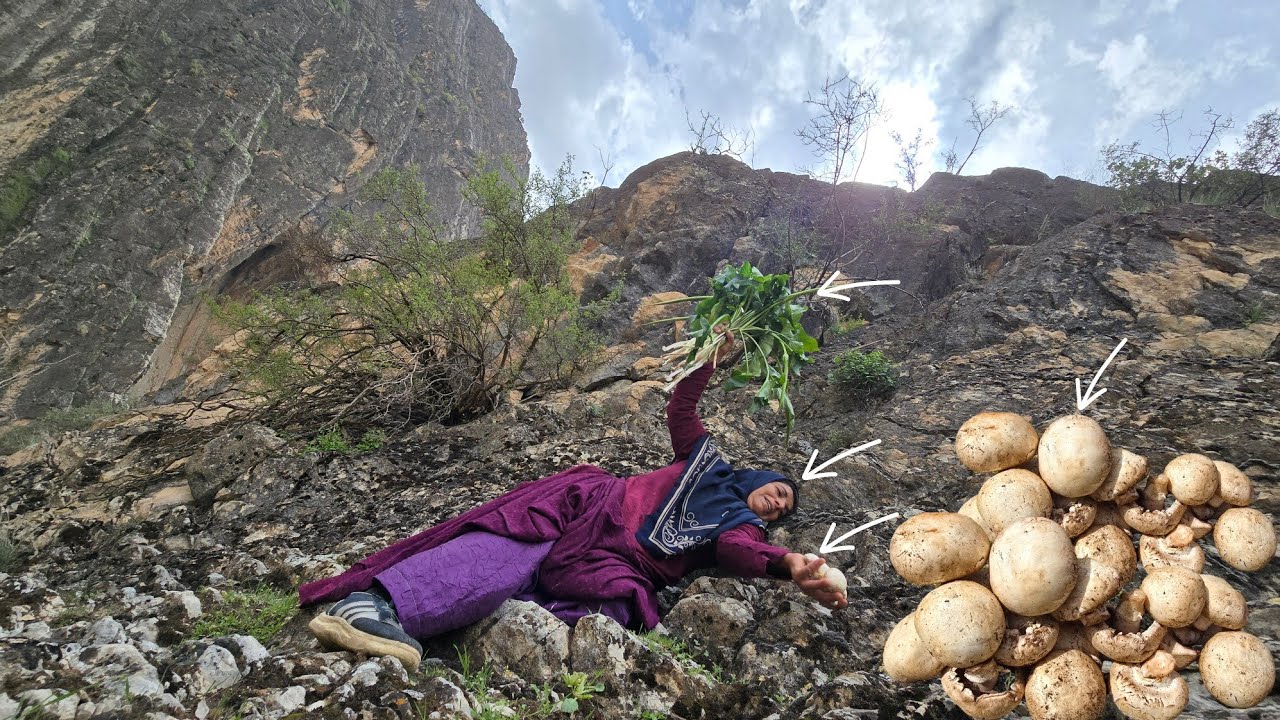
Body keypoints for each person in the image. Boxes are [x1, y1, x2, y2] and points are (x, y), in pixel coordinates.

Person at [299, 329, 848, 669]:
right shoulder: (707, 462)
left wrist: (787, 564)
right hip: (591, 508)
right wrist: (709, 358)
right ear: (758, 477)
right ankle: (372, 609)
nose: (778, 504)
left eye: (784, 509)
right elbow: (681, 410)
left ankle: (458, 637)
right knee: (509, 551)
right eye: (778, 491)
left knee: (611, 608)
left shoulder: (742, 532)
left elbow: (738, 554)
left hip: (618, 562)